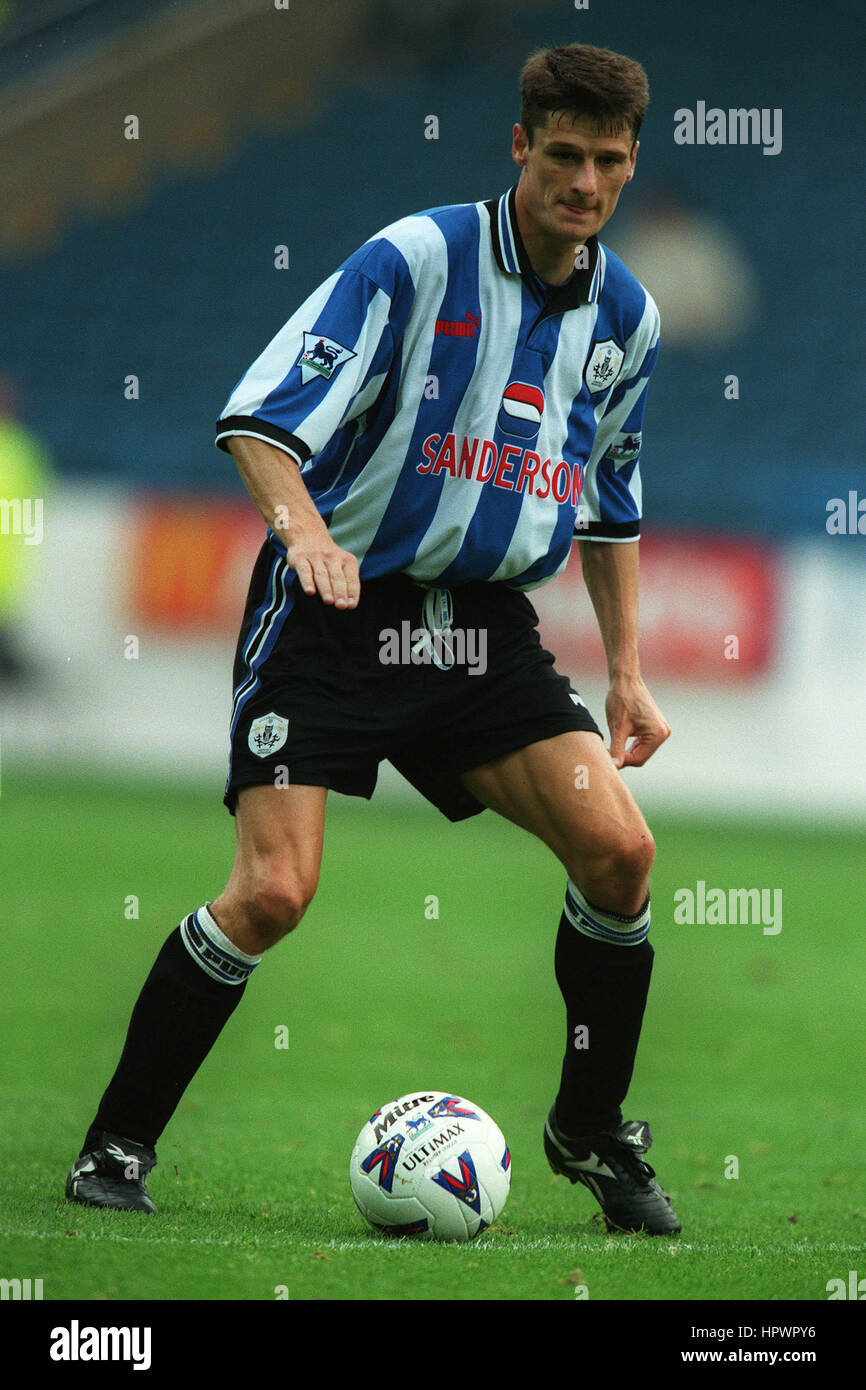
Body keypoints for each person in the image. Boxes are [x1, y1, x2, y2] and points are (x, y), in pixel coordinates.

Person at [67, 42, 681, 1236]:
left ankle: (587, 1130)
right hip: (338, 617)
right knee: (272, 893)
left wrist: (627, 671)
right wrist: (303, 536)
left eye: (608, 161)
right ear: (519, 145)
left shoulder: (626, 316)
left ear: (629, 163)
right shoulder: (417, 258)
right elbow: (257, 417)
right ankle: (116, 1145)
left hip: (481, 638)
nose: (584, 182)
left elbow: (610, 500)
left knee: (619, 852)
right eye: (562, 154)